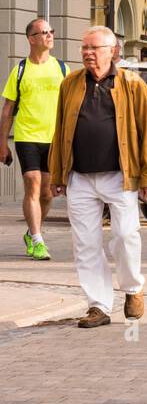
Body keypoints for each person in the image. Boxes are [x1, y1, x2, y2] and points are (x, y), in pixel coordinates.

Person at [49, 27, 147, 330]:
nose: (88, 53)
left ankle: (133, 288)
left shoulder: (132, 85)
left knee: (125, 235)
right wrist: (58, 172)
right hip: (80, 177)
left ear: (113, 51)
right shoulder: (71, 83)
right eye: (84, 47)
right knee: (85, 243)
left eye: (94, 48)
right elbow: (60, 129)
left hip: (120, 175)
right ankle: (97, 305)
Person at [0, 19, 68, 261]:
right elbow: (8, 109)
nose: (50, 35)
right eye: (44, 32)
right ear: (31, 39)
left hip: (54, 138)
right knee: (32, 182)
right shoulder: (20, 70)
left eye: (51, 31)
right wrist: (2, 143)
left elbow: (72, 106)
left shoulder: (62, 69)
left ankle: (31, 233)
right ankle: (38, 240)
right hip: (27, 135)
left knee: (47, 194)